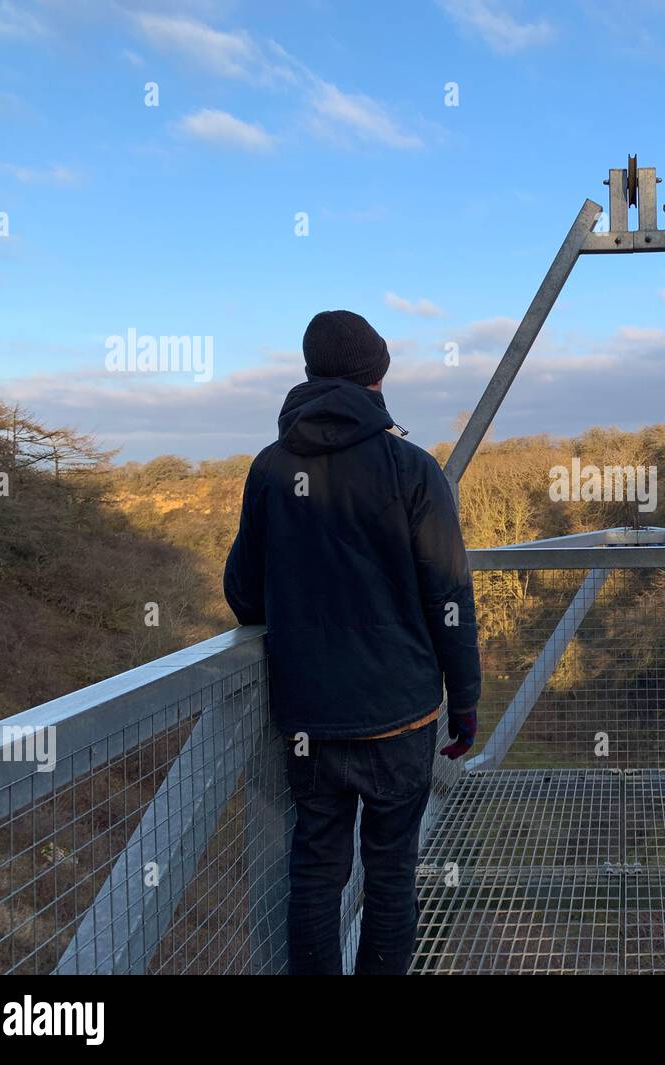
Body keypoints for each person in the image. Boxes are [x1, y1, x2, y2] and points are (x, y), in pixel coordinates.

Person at [224, 309, 481, 974]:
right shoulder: (413, 469)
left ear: (310, 375)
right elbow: (448, 596)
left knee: (316, 869)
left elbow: (244, 593)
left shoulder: (271, 470)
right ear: (378, 375)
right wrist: (467, 700)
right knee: (391, 874)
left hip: (310, 717)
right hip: (402, 715)